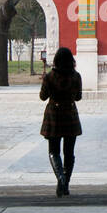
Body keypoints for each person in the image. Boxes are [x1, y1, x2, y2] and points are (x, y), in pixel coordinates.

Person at [40, 46, 82, 197]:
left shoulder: (50, 76)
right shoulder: (76, 76)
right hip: (70, 114)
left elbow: (43, 96)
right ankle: (65, 183)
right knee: (69, 152)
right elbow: (78, 97)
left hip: (54, 115)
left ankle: (61, 179)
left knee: (53, 151)